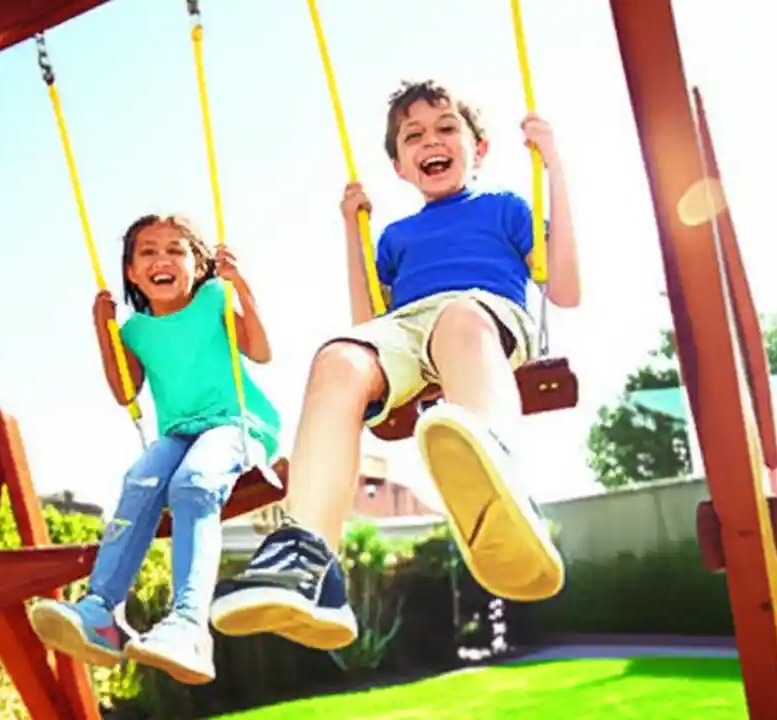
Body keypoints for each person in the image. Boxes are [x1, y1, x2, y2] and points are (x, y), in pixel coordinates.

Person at [208, 79, 582, 651]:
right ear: (400, 166)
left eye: (446, 127)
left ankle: (497, 468)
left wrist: (553, 166)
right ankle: (308, 557)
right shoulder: (396, 236)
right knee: (336, 358)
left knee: (458, 318)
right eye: (414, 136)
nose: (431, 140)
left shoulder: (504, 207)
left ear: (478, 149)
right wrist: (351, 233)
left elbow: (568, 289)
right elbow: (369, 325)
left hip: (481, 319)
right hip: (406, 331)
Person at [29, 213, 281, 685]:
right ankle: (102, 613)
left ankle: (188, 624)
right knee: (139, 483)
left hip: (237, 424)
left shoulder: (214, 298)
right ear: (130, 272)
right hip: (178, 432)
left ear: (198, 264)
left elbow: (261, 350)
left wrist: (241, 285)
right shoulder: (136, 331)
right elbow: (126, 391)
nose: (161, 260)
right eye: (147, 251)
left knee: (194, 483)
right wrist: (104, 329)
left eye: (175, 250)